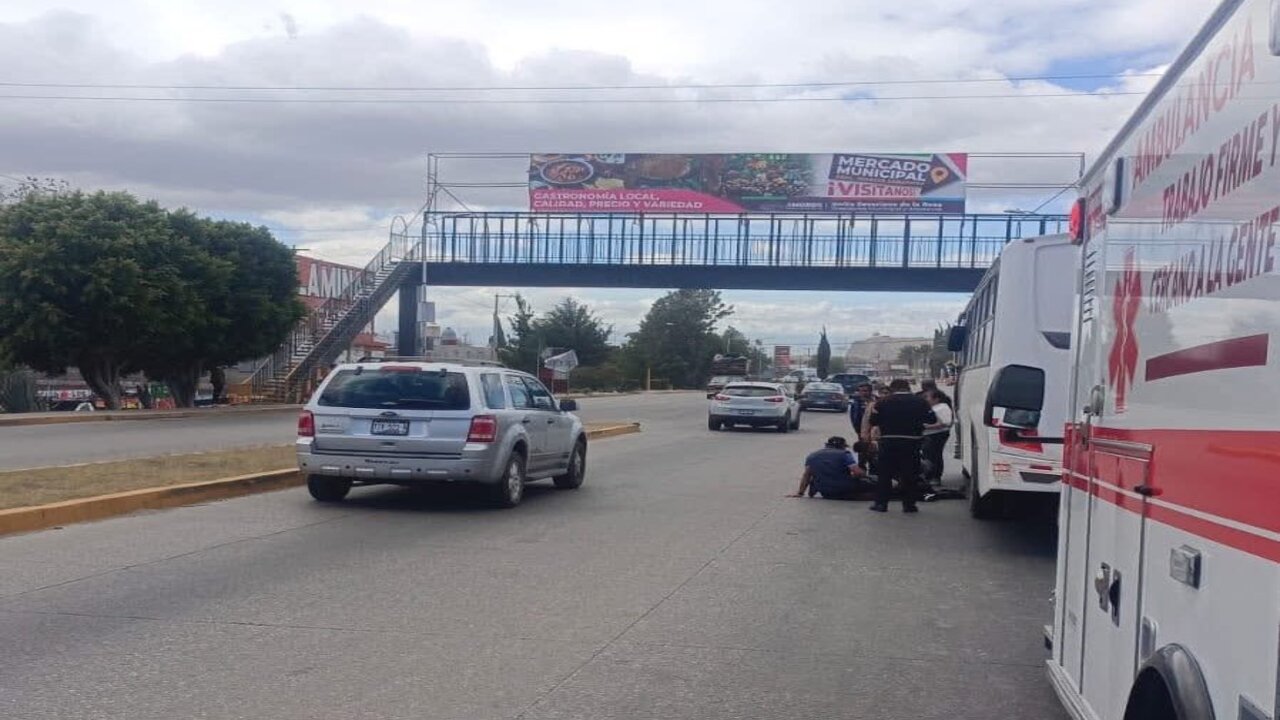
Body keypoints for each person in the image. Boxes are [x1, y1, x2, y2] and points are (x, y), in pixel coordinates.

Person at [867, 378, 937, 513]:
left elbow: (873, 421)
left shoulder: (882, 402)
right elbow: (931, 419)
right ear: (908, 387)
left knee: (885, 474)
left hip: (888, 442)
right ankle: (909, 504)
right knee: (910, 474)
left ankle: (881, 504)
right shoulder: (920, 401)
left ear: (892, 388)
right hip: (912, 442)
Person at [787, 436, 870, 500]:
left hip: (825, 491)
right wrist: (863, 473)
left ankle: (816, 486)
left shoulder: (812, 456)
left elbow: (806, 475)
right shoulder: (844, 454)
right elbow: (857, 473)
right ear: (842, 446)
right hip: (845, 488)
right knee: (875, 486)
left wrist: (800, 493)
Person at [921, 389, 953, 487]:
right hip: (930, 434)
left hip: (937, 434)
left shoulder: (942, 408)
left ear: (936, 399)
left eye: (928, 397)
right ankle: (928, 475)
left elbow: (945, 423)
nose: (926, 399)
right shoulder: (933, 407)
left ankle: (935, 476)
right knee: (929, 455)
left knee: (934, 456)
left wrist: (926, 426)